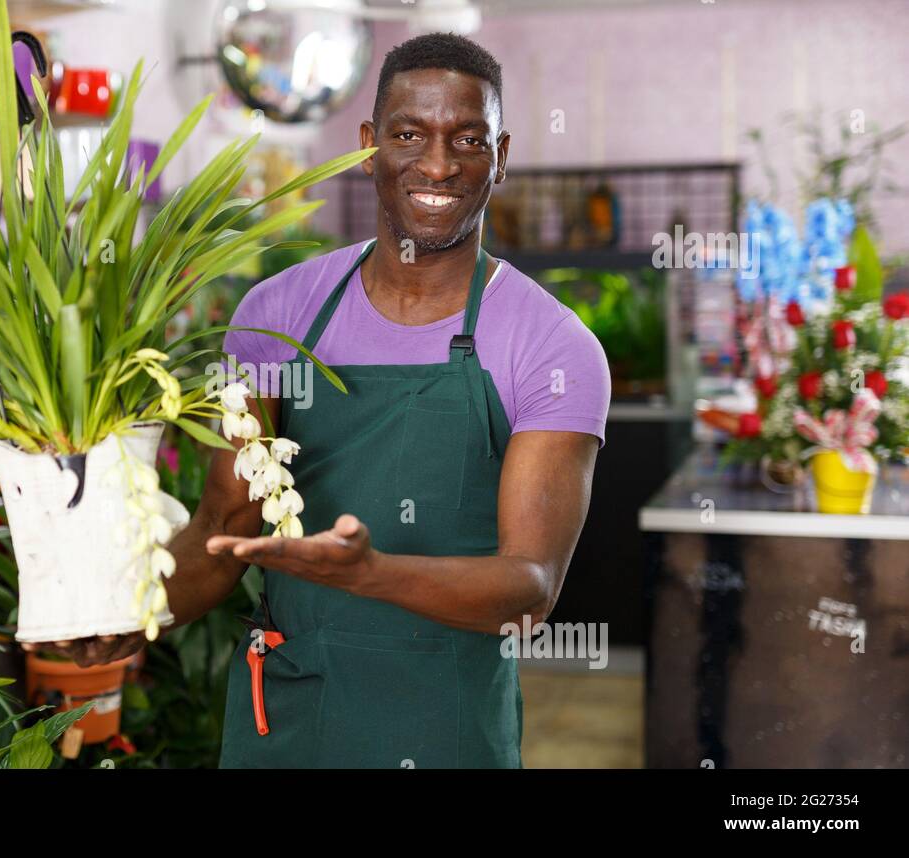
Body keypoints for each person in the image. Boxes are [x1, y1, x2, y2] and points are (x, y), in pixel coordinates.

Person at [41, 32, 610, 768]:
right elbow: (225, 525)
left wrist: (369, 574)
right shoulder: (276, 314)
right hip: (285, 713)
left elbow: (530, 589)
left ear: (499, 157)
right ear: (370, 145)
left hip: (443, 726)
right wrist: (128, 617)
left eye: (467, 140)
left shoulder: (554, 347)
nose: (438, 164)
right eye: (410, 134)